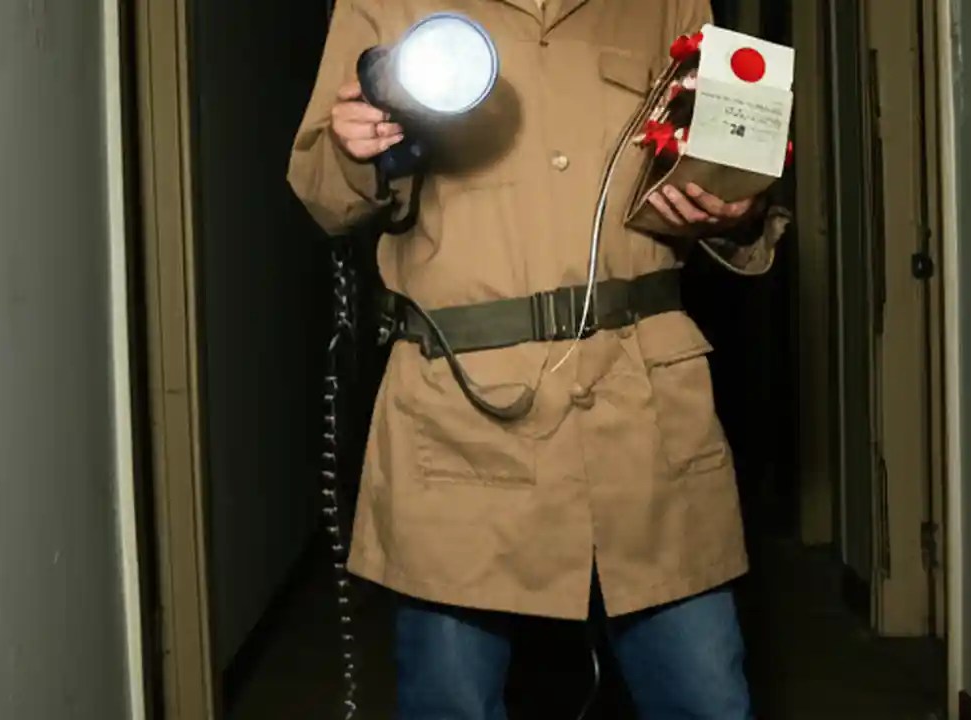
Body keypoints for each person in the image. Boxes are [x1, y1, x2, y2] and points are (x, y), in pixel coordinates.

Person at [287, 0, 790, 717]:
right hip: (459, 417)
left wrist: (735, 209)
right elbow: (324, 198)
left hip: (642, 403)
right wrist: (349, 147)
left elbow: (730, 162)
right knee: (450, 699)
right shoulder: (382, 3)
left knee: (705, 694)